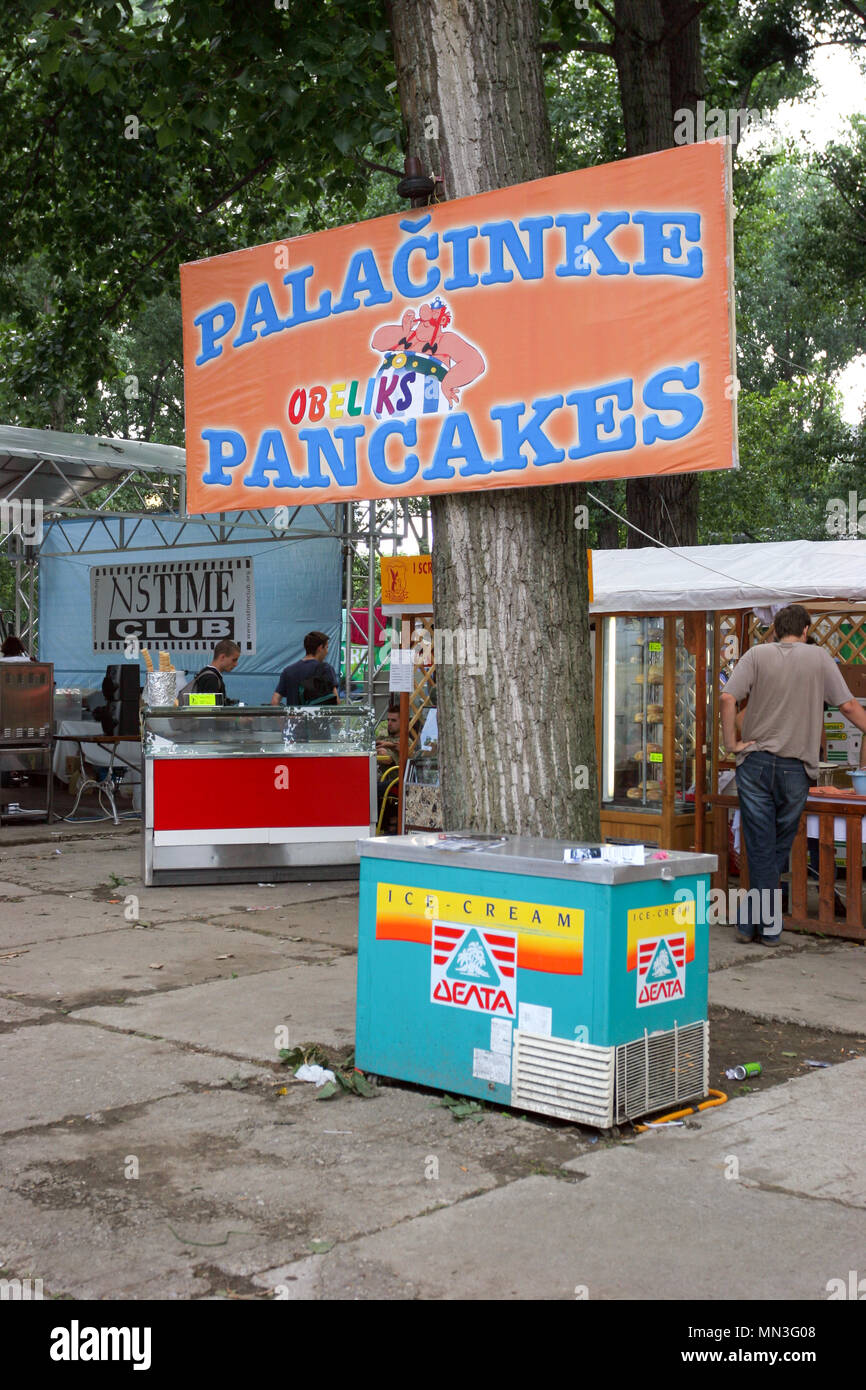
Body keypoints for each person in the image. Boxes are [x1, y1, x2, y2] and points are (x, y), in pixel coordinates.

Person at [720, 604, 866, 944]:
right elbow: (847, 706)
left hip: (754, 764)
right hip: (795, 767)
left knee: (761, 846)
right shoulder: (819, 658)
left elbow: (728, 698)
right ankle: (767, 926)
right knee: (775, 846)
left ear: (776, 629)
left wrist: (732, 744)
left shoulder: (756, 654)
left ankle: (750, 922)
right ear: (805, 629)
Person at [271, 631, 339, 706]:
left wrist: (282, 717)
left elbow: (275, 701)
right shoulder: (326, 669)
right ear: (320, 648)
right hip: (318, 717)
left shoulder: (288, 671)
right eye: (326, 647)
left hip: (294, 717)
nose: (327, 652)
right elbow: (336, 701)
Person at [188, 639, 240, 703]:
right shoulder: (211, 678)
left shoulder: (208, 674)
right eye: (234, 660)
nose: (236, 664)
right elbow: (208, 709)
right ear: (222, 657)